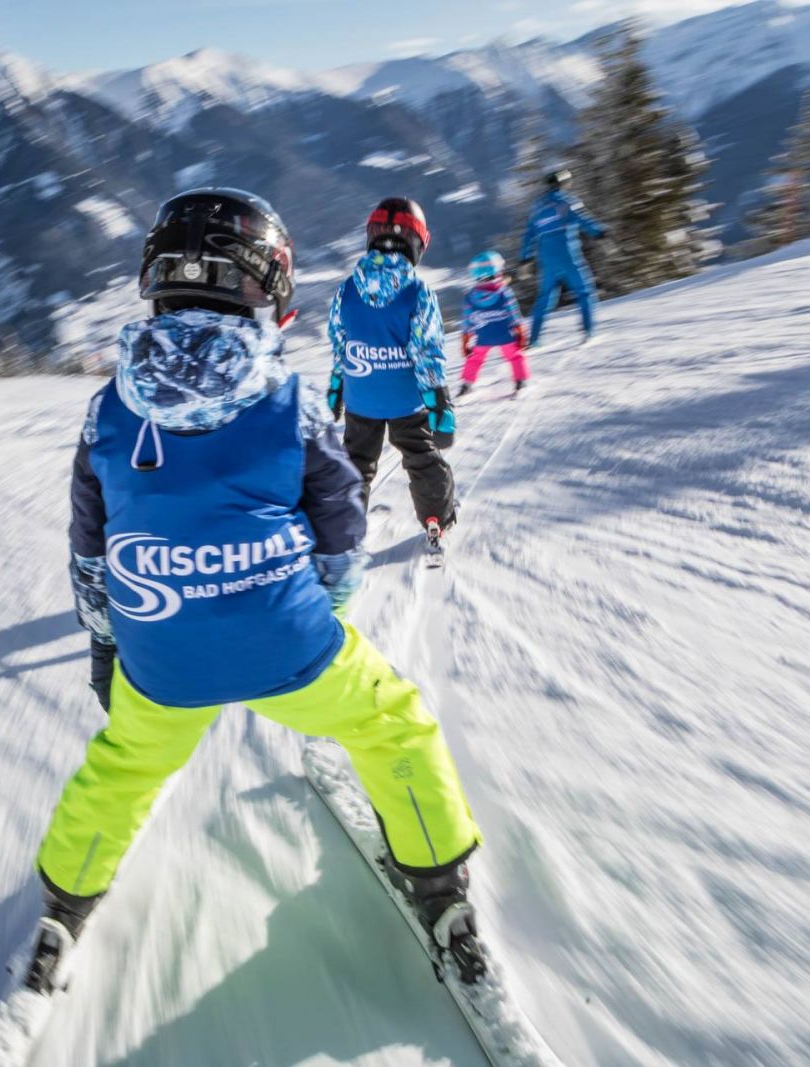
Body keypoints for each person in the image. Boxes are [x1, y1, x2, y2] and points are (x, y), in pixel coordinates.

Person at [25, 188, 484, 994]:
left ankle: (65, 904)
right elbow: (342, 530)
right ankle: (440, 887)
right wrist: (322, 616)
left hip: (161, 658)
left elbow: (90, 552)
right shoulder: (289, 402)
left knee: (125, 765)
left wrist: (107, 644)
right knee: (393, 724)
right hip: (291, 645)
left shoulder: (109, 412)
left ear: (156, 278)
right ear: (268, 284)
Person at [326, 197, 456, 551]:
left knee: (355, 463)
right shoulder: (417, 292)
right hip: (406, 402)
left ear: (371, 237)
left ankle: (343, 530)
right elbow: (427, 352)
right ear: (418, 243)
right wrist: (439, 405)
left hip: (361, 399)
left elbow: (340, 343)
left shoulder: (347, 289)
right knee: (422, 458)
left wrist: (336, 388)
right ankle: (436, 517)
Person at [520, 169, 607, 347]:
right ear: (564, 183)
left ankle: (534, 340)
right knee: (584, 292)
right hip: (569, 256)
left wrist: (525, 259)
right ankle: (588, 332)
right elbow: (585, 220)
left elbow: (529, 234)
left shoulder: (538, 207)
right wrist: (600, 233)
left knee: (544, 299)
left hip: (547, 260)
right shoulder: (568, 201)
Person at [457, 250, 529, 397]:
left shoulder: (470, 298)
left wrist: (465, 340)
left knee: (475, 359)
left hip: (483, 337)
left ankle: (466, 385)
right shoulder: (504, 293)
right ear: (496, 272)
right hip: (505, 335)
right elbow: (514, 314)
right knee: (515, 356)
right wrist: (520, 332)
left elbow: (467, 321)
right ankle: (520, 381)